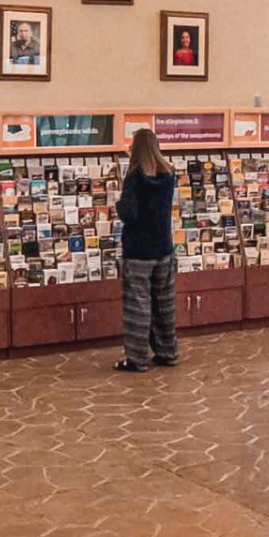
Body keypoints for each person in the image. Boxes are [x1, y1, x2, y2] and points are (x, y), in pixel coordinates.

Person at [113, 128, 179, 373]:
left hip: (138, 250)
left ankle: (138, 358)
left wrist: (118, 206)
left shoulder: (134, 177)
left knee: (137, 307)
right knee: (165, 304)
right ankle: (168, 351)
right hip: (163, 247)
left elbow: (129, 213)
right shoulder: (169, 174)